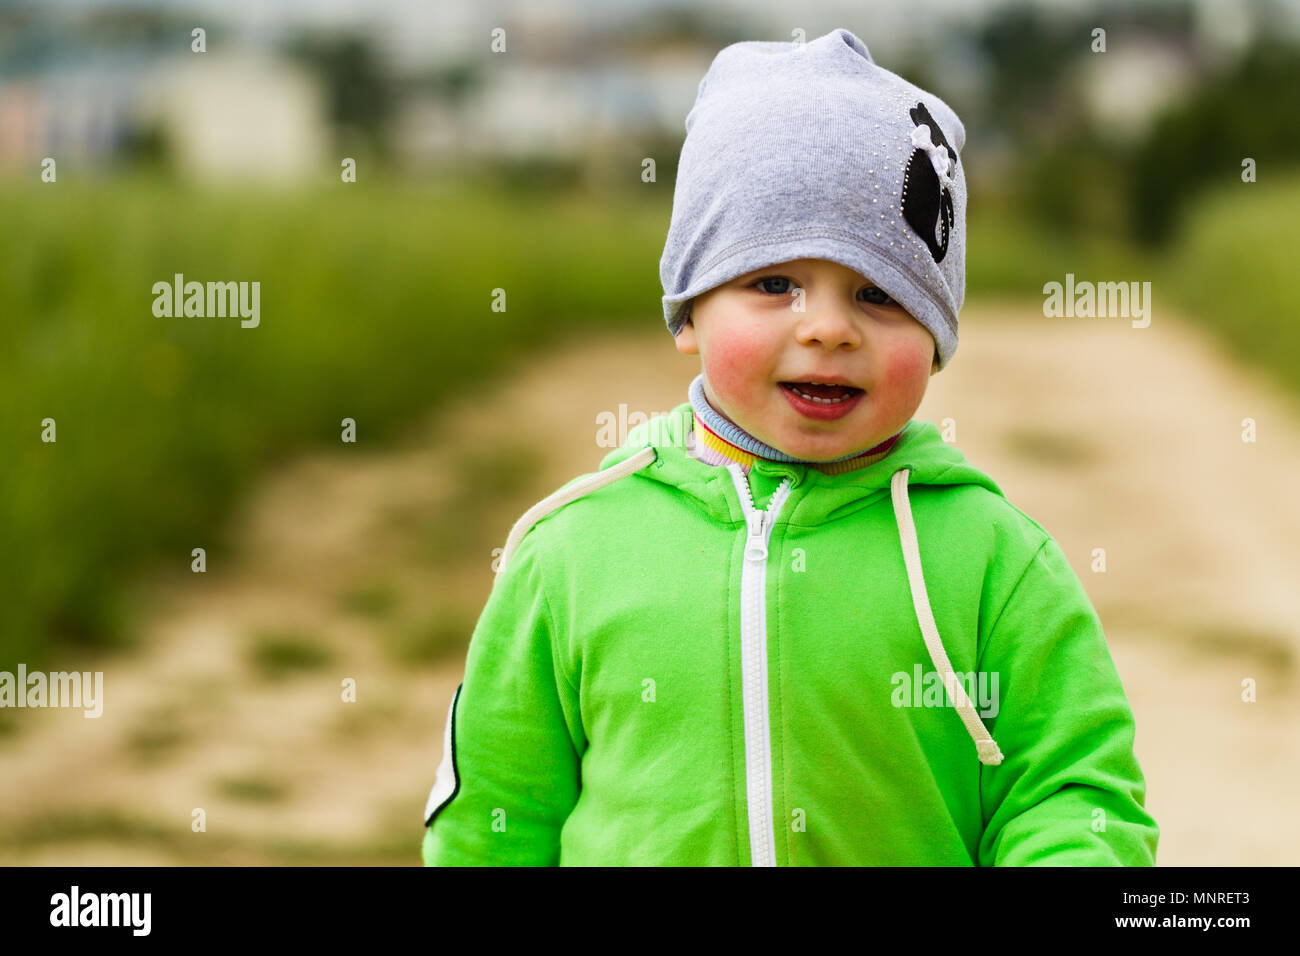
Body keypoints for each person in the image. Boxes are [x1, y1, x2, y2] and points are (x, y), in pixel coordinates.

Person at [420, 26, 1159, 866]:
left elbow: (1073, 793)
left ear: (936, 335)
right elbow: (496, 810)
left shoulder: (995, 561)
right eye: (774, 283)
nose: (828, 329)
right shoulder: (571, 553)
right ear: (690, 310)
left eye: (880, 293)